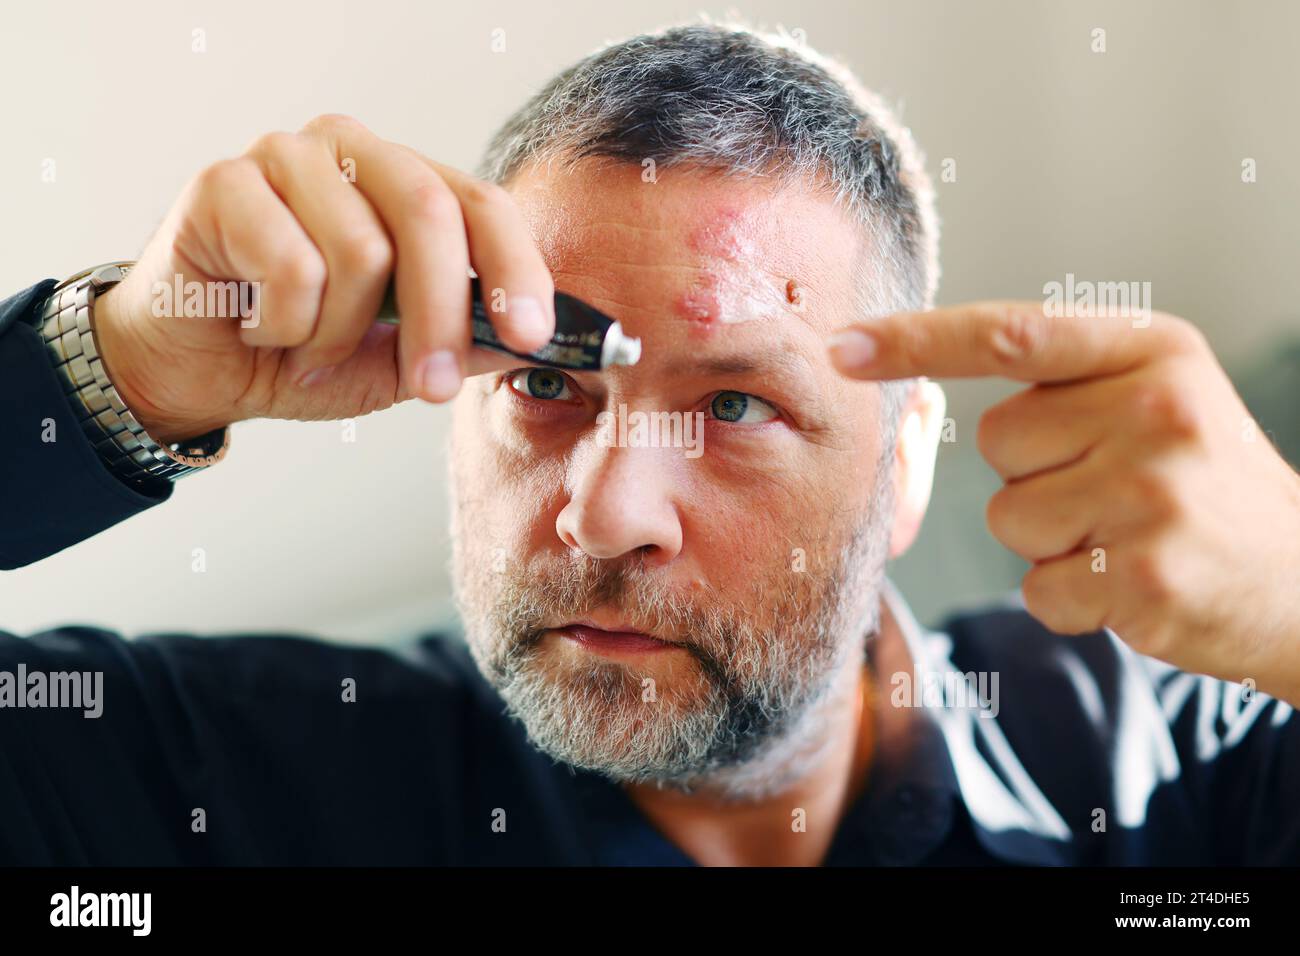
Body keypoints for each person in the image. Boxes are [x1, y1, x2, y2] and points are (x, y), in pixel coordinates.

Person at [1, 23, 1297, 866]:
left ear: (904, 468)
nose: (605, 513)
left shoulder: (1199, 784)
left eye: (736, 407)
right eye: (542, 386)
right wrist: (117, 371)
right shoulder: (222, 792)